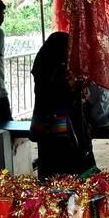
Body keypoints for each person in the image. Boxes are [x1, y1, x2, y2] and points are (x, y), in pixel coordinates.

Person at [29, 32, 94, 178]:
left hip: (44, 124)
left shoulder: (42, 66)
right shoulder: (60, 71)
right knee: (68, 167)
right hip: (61, 127)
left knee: (48, 166)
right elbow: (65, 96)